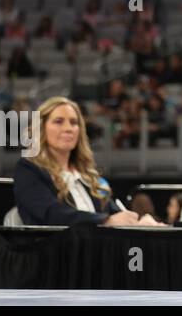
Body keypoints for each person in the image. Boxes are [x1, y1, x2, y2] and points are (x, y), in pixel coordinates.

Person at [13, 96, 162, 227]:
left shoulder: (87, 176)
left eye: (73, 122)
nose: (68, 128)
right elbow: (52, 214)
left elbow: (115, 213)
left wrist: (140, 221)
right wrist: (104, 221)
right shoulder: (28, 169)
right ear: (41, 128)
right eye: (59, 122)